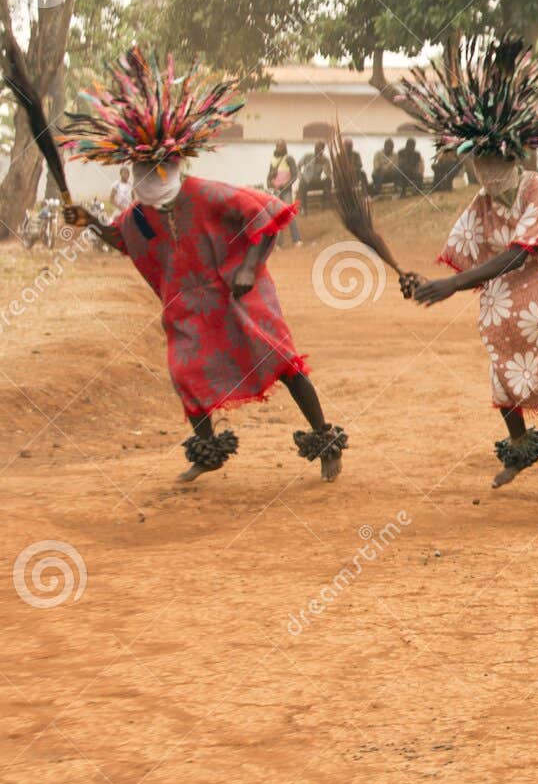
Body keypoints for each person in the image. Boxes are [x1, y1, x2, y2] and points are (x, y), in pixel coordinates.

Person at [60, 47, 346, 483]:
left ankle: (324, 439)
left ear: (172, 164)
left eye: (156, 170)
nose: (149, 179)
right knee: (185, 373)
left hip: (239, 296)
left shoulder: (206, 193)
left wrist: (249, 268)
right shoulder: (141, 212)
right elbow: (123, 238)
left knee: (282, 363)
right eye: (143, 170)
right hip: (189, 308)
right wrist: (89, 222)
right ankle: (208, 452)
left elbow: (267, 215)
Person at [406, 37, 538, 484]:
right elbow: (465, 257)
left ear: (510, 156)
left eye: (488, 160)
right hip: (515, 291)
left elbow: (518, 253)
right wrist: (425, 282)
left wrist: (452, 287)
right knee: (503, 366)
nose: (483, 170)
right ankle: (519, 449)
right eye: (476, 163)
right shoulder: (483, 203)